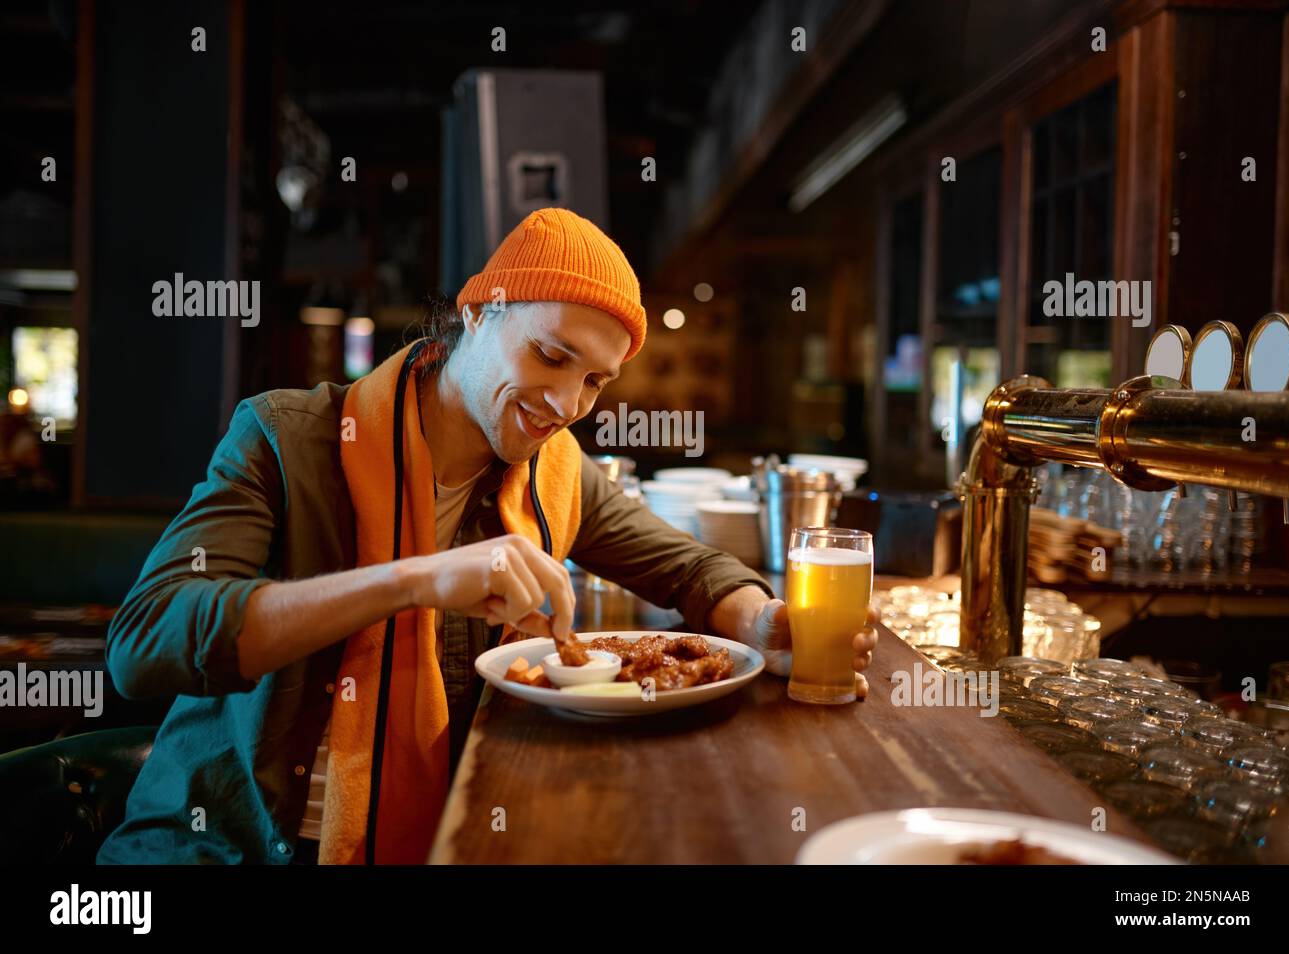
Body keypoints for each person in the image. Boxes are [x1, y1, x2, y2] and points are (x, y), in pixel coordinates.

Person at [97, 208, 877, 865]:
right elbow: (145, 644)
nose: (569, 401)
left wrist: (765, 624)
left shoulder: (553, 471)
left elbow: (690, 570)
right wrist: (415, 579)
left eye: (597, 381)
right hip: (224, 848)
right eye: (551, 355)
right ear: (478, 311)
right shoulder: (286, 438)